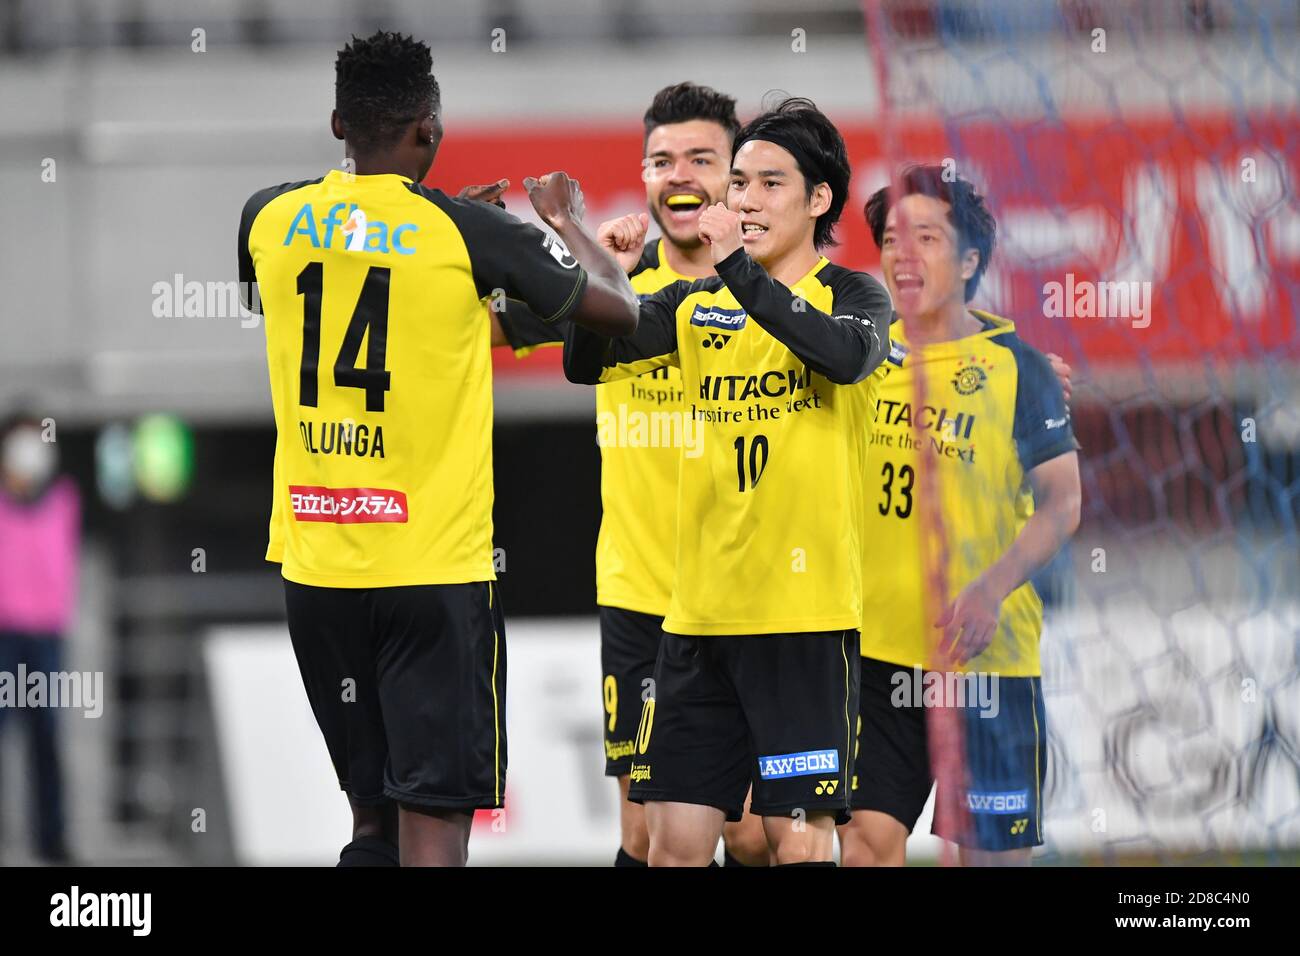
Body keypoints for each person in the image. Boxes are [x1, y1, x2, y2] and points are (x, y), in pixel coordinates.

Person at [237, 30, 638, 867]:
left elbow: (349, 288)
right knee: (435, 831)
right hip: (431, 574)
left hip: (317, 572)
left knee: (370, 823)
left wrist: (456, 240)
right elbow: (616, 308)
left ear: (339, 119)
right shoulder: (466, 235)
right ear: (432, 127)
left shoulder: (266, 217)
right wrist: (559, 222)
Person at [565, 98, 891, 866]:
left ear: (819, 201)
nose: (743, 200)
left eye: (769, 184)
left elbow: (843, 358)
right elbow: (587, 361)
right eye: (738, 182)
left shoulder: (854, 297)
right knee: (671, 846)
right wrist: (598, 266)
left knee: (798, 844)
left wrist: (737, 269)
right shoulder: (694, 304)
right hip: (697, 625)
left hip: (802, 624)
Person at [839, 164, 1081, 866]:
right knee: (863, 847)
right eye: (889, 237)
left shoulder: (1020, 369)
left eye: (927, 237)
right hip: (879, 665)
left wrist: (989, 588)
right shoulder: (861, 356)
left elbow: (1064, 504)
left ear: (971, 260)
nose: (903, 254)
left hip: (986, 670)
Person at [0, 411, 80, 864]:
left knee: (47, 741)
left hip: (46, 637)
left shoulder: (64, 498)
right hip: (4, 635)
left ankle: (51, 839)